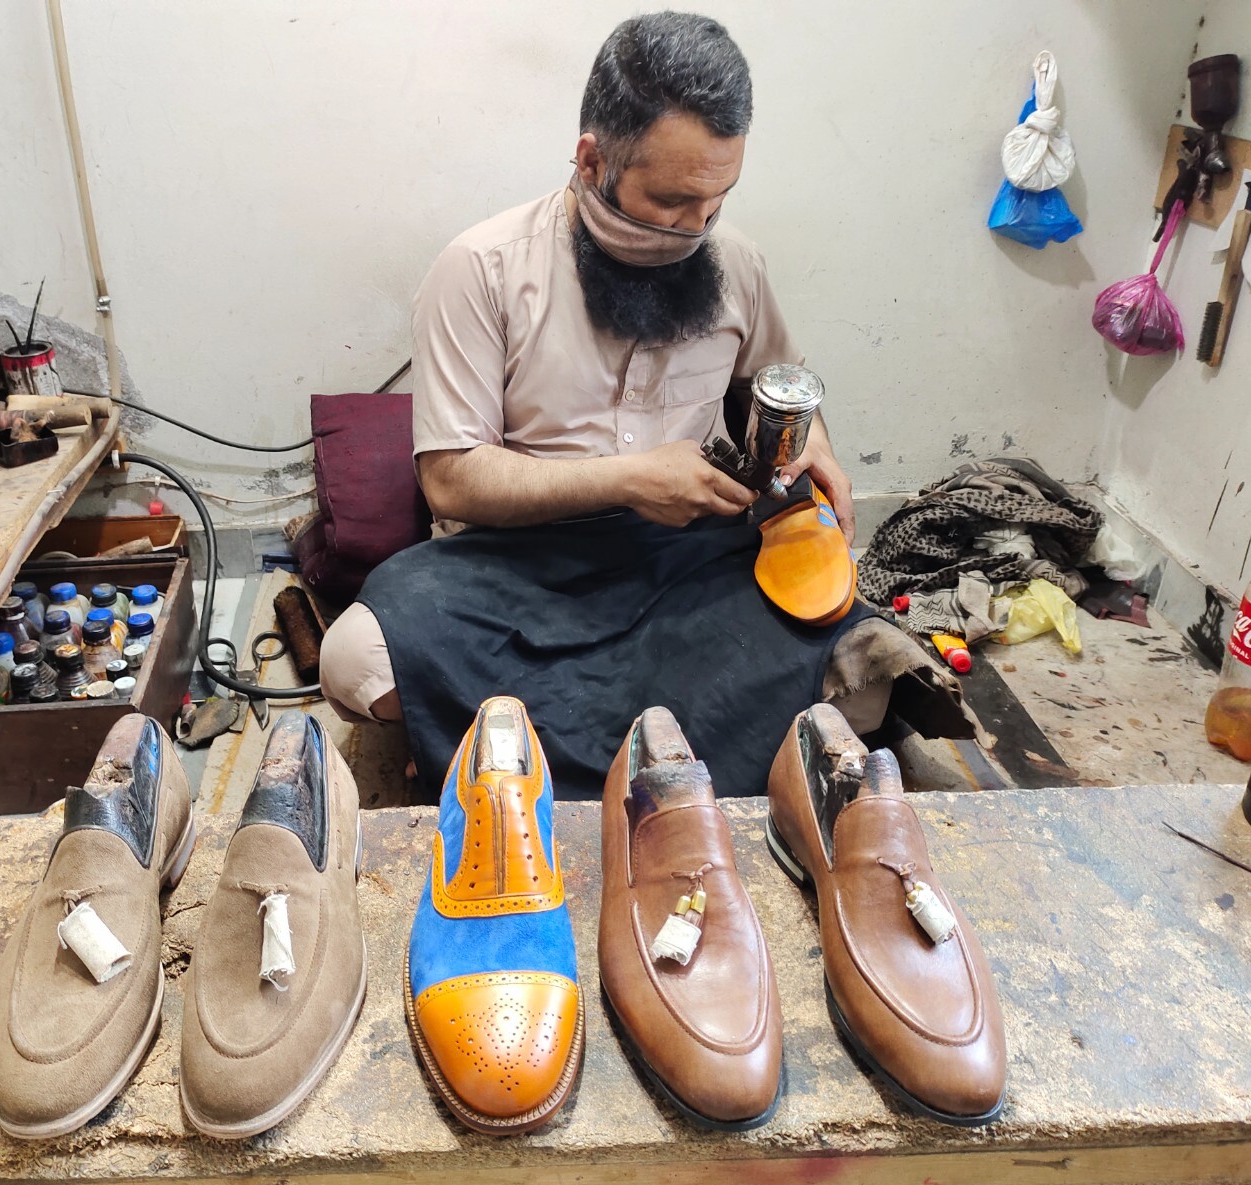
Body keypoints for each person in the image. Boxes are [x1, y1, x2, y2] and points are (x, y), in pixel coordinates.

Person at [319, 12, 965, 799]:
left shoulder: (736, 262)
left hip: (690, 556)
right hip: (520, 564)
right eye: (670, 201)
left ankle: (506, 749)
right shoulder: (480, 269)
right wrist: (628, 480)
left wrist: (814, 442)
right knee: (357, 660)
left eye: (716, 200)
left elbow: (778, 381)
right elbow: (451, 483)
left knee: (868, 678)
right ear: (592, 159)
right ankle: (687, 745)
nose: (695, 228)